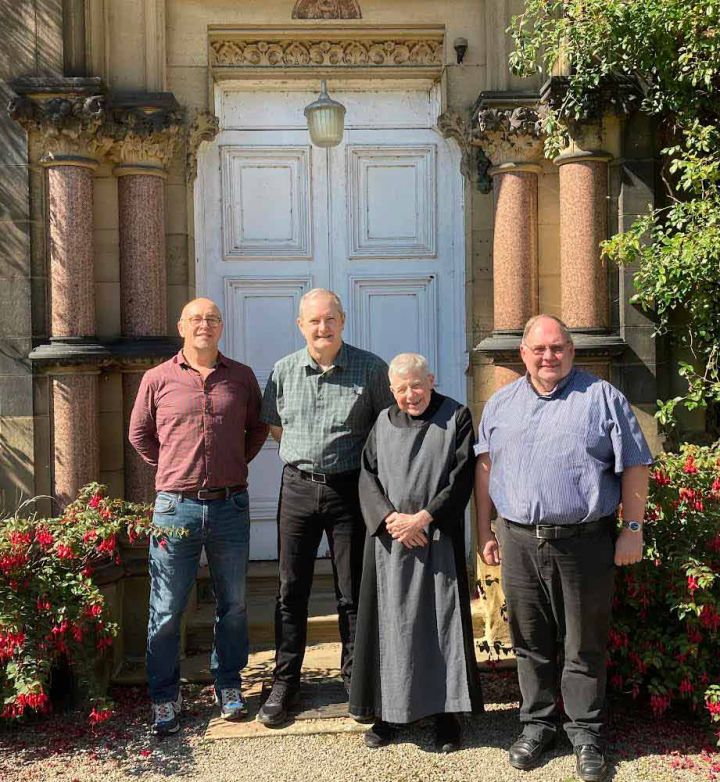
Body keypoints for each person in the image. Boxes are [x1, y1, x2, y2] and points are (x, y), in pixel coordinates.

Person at [475, 314, 652, 782]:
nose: (548, 357)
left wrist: (632, 529)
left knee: (583, 643)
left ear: (571, 352)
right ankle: (537, 725)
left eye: (558, 348)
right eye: (539, 349)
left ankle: (586, 733)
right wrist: (483, 532)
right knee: (529, 641)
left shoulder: (602, 399)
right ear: (523, 354)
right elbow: (487, 470)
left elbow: (635, 465)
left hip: (584, 544)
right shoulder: (500, 404)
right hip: (517, 541)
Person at [129, 297, 268, 736]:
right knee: (167, 607)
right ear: (181, 326)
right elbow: (139, 434)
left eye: (211, 318)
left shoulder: (241, 377)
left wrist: (232, 465)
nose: (203, 324)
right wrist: (174, 469)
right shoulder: (157, 379)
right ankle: (165, 696)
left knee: (234, 604)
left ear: (221, 327)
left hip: (230, 505)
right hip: (175, 507)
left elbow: (258, 428)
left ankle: (227, 684)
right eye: (195, 318)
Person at [258, 288, 394, 726]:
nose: (322, 328)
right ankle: (285, 682)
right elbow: (275, 427)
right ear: (301, 325)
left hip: (349, 491)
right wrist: (308, 455)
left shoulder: (372, 369)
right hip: (297, 489)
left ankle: (356, 680)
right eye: (314, 321)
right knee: (289, 590)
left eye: (330, 319)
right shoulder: (282, 372)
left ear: (343, 320)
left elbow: (389, 431)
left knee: (351, 591)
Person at [349, 353, 484, 752]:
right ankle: (389, 715)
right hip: (389, 544)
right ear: (392, 390)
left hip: (434, 541)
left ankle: (445, 717)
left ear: (432, 379)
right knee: (390, 627)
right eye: (402, 388)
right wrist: (390, 519)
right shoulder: (381, 423)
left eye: (418, 385)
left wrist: (423, 519)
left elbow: (462, 478)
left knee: (438, 626)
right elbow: (367, 474)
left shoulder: (456, 417)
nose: (411, 395)